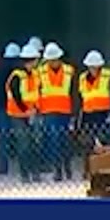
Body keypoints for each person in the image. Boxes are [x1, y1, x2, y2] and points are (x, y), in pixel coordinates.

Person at [36, 42, 80, 181]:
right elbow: (36, 91)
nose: (52, 62)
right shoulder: (40, 72)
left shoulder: (69, 71)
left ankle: (66, 167)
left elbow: (74, 92)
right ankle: (58, 169)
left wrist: (75, 112)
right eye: (50, 60)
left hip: (65, 111)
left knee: (65, 141)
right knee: (54, 140)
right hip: (48, 111)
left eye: (54, 59)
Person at [4, 44, 41, 182]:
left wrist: (35, 109)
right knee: (24, 144)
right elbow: (16, 95)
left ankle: (35, 173)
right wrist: (26, 110)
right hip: (18, 115)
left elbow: (38, 92)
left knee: (35, 143)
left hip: (32, 113)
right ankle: (25, 174)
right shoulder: (17, 76)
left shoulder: (35, 74)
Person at [77, 50, 110, 151]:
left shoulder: (107, 76)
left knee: (104, 140)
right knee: (90, 143)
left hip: (103, 114)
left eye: (95, 67)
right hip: (88, 115)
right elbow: (80, 97)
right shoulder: (82, 78)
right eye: (91, 67)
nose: (93, 69)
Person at [0, 42, 22, 174]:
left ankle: (3, 166)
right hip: (16, 107)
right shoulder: (18, 71)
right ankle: (24, 164)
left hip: (1, 106)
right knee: (21, 136)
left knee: (3, 136)